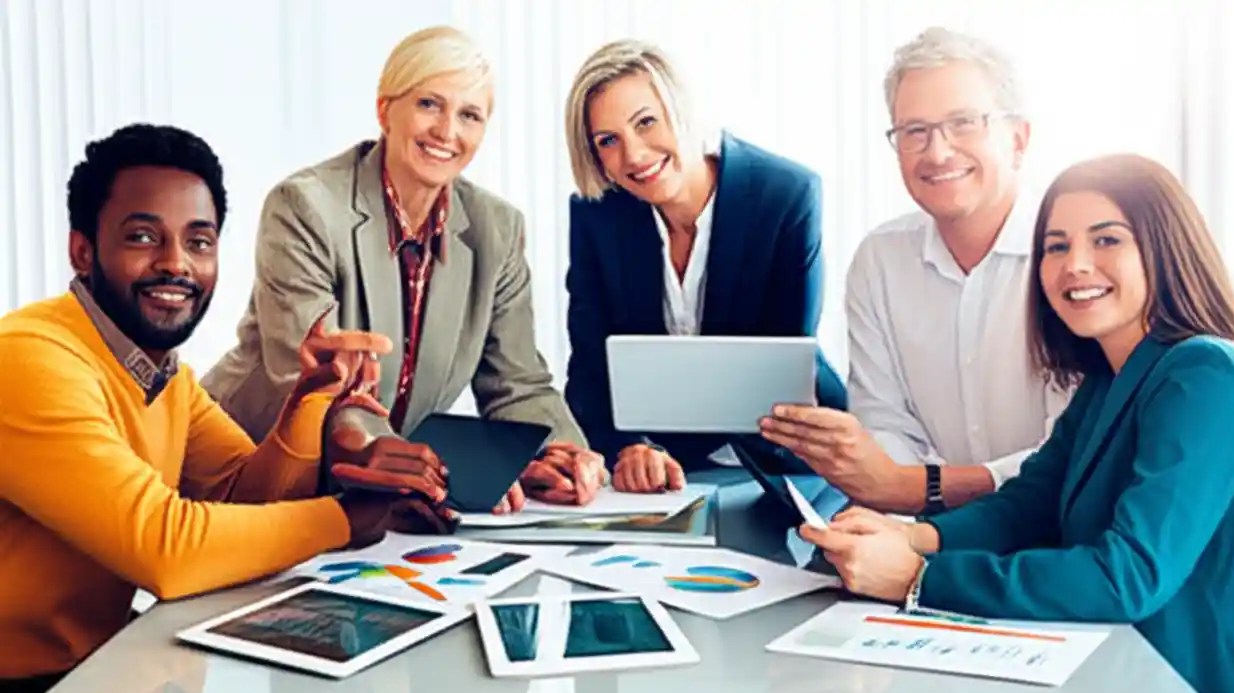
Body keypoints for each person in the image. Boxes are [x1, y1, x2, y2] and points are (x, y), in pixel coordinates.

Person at [802, 154, 1234, 693]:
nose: (1075, 265)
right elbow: (1028, 507)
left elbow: (1125, 577)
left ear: (1164, 250)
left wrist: (915, 577)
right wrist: (915, 538)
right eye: (1056, 246)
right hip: (1118, 677)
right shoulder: (1110, 378)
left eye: (1106, 240)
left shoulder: (1205, 376)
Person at [0, 124, 437, 693]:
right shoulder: (28, 358)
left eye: (199, 242)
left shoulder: (162, 374)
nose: (175, 263)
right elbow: (168, 550)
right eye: (142, 236)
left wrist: (309, 399)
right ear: (83, 250)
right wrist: (343, 518)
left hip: (101, 672)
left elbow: (243, 496)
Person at [202, 26, 607, 519]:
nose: (447, 132)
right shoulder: (306, 206)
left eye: (470, 115)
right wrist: (433, 469)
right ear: (384, 110)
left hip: (374, 496)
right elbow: (314, 380)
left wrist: (561, 453)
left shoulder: (496, 229)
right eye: (429, 104)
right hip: (247, 467)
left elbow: (516, 382)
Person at [762, 27, 1066, 514]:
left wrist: (915, 488)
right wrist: (888, 487)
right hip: (925, 528)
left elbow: (1071, 457)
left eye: (964, 123)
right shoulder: (880, 261)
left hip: (1056, 534)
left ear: (1018, 138)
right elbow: (884, 428)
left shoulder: (1073, 261)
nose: (938, 152)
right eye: (914, 132)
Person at [562, 39, 848, 493]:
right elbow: (591, 365)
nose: (634, 155)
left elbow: (780, 361)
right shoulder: (598, 214)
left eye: (646, 122)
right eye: (608, 140)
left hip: (780, 455)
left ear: (681, 110)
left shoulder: (785, 195)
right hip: (662, 470)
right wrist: (631, 446)